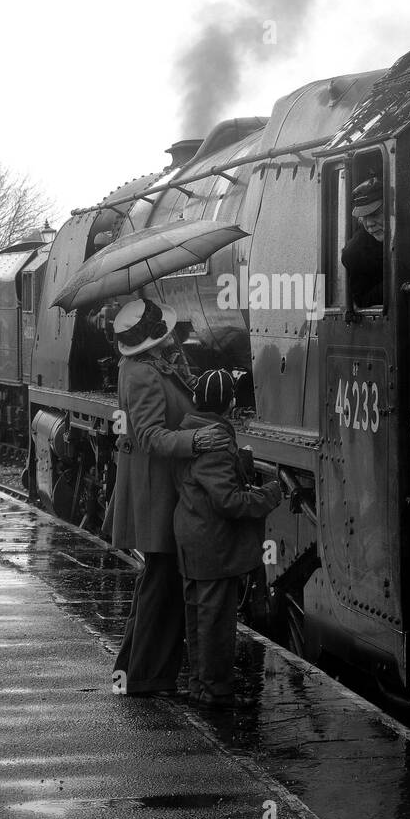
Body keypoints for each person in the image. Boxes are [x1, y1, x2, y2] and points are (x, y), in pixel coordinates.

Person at [109, 298, 228, 696]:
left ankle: (135, 672)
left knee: (158, 583)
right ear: (155, 336)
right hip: (156, 490)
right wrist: (196, 439)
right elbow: (149, 436)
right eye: (166, 330)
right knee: (161, 582)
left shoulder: (152, 365)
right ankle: (144, 678)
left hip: (161, 486)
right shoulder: (141, 373)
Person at [173, 369, 282, 709]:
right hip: (212, 544)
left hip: (191, 537)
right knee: (217, 623)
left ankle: (198, 686)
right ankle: (216, 691)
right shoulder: (217, 442)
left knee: (196, 618)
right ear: (231, 403)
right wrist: (270, 494)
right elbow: (229, 501)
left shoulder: (189, 430)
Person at [341, 175, 384, 307]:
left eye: (375, 214)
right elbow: (362, 299)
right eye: (364, 217)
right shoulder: (356, 252)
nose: (369, 224)